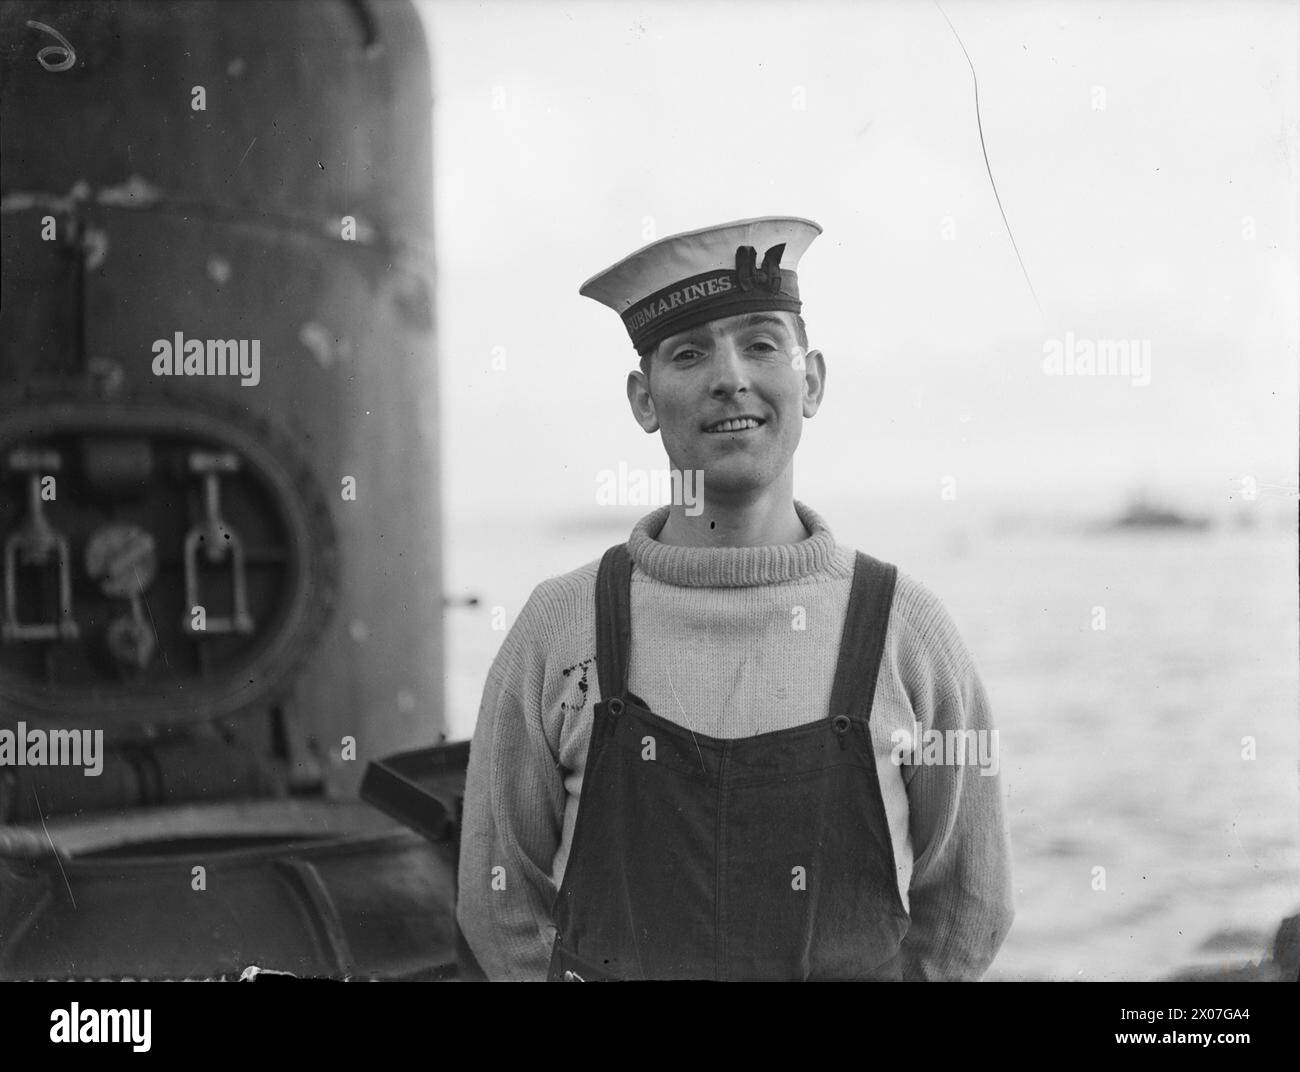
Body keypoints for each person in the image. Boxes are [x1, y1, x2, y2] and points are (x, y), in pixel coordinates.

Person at [457, 216, 1014, 980]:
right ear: (643, 399)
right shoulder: (560, 626)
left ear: (811, 380)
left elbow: (971, 903)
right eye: (689, 354)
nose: (730, 378)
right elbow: (497, 901)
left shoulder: (906, 631)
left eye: (760, 344)